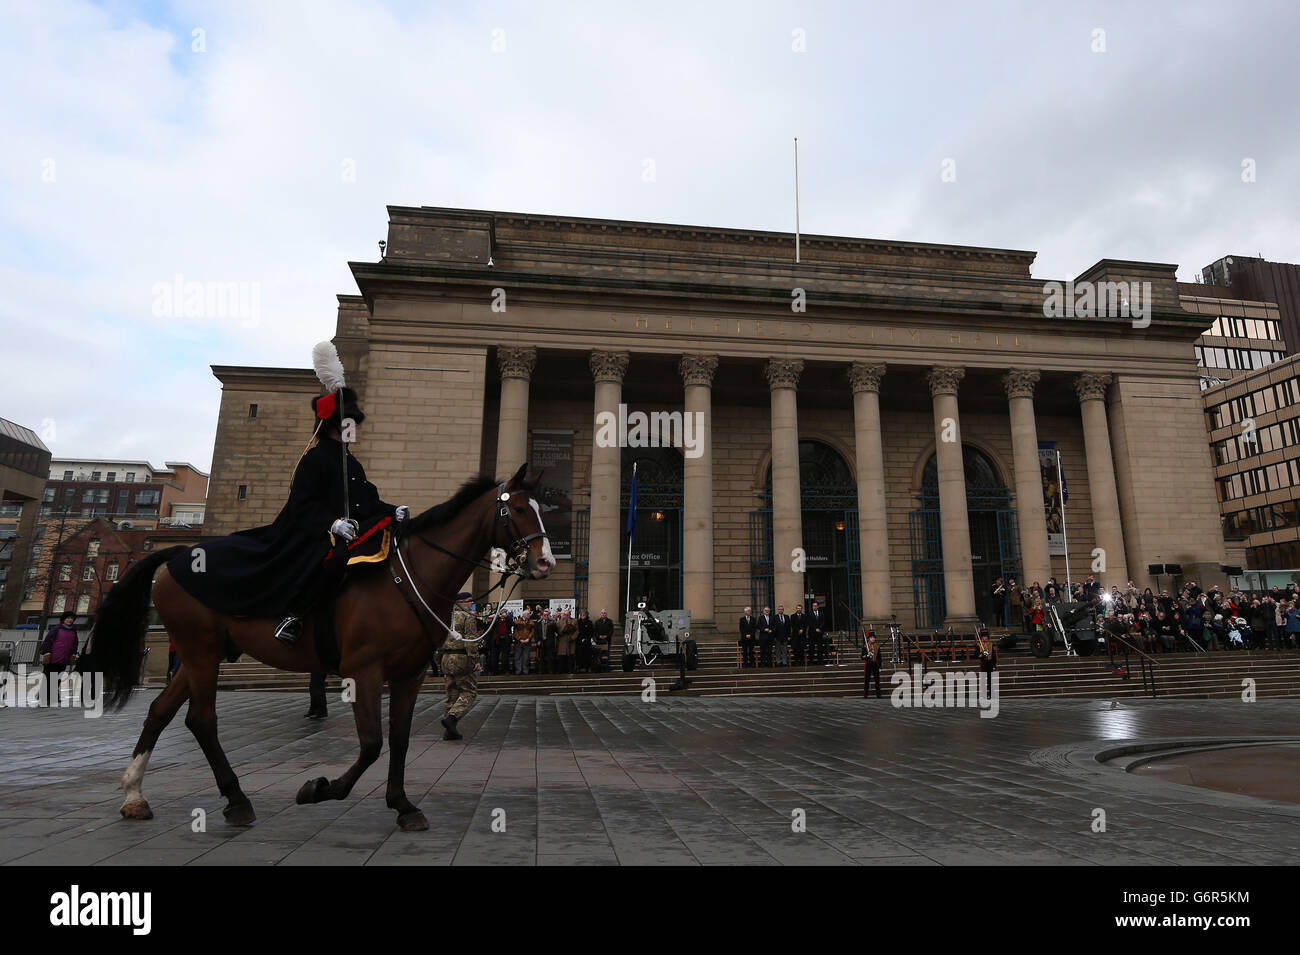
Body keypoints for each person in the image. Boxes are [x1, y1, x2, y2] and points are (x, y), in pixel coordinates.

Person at [166, 380, 410, 646]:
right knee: (333, 559)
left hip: (347, 530)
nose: (353, 428)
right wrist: (333, 523)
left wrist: (393, 510)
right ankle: (294, 615)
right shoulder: (314, 459)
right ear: (334, 425)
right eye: (348, 422)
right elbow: (302, 505)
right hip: (310, 530)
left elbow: (367, 501)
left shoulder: (352, 463)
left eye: (353, 422)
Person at [436, 592, 480, 740]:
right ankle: (452, 719)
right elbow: (471, 641)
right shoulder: (468, 617)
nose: (471, 604)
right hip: (461, 658)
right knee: (469, 691)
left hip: (446, 658)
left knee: (452, 694)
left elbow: (438, 640)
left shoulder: (445, 617)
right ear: (461, 602)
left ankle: (450, 731)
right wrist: (474, 660)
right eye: (469, 602)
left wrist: (438, 661)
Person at [39, 612, 80, 706]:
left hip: (64, 658)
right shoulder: (56, 629)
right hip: (52, 658)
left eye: (71, 618)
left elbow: (75, 644)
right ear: (63, 619)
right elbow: (48, 641)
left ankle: (53, 696)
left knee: (58, 678)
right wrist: (47, 653)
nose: (70, 620)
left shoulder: (73, 631)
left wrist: (73, 654)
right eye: (68, 618)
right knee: (49, 677)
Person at [512, 609, 534, 675]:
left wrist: (528, 638)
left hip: (527, 642)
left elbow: (532, 632)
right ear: (524, 615)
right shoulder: (517, 622)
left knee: (526, 657)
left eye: (529, 614)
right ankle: (518, 671)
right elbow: (515, 632)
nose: (529, 615)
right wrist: (519, 639)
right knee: (517, 657)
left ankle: (525, 671)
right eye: (528, 614)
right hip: (518, 642)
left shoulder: (531, 622)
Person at [862, 631, 882, 698]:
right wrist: (867, 655)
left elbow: (879, 657)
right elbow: (862, 656)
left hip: (875, 664)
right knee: (867, 679)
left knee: (877, 679)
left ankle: (878, 694)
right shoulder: (865, 646)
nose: (873, 639)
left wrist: (880, 666)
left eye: (874, 637)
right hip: (868, 664)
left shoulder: (877, 646)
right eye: (871, 637)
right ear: (869, 638)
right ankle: (865, 694)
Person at [807, 600, 827, 665]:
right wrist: (815, 629)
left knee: (820, 648)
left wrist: (819, 628)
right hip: (812, 633)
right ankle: (811, 661)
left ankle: (820, 661)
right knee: (811, 648)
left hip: (819, 633)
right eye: (813, 606)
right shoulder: (810, 613)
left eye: (815, 606)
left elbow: (823, 622)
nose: (814, 607)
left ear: (818, 606)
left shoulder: (821, 613)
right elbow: (810, 623)